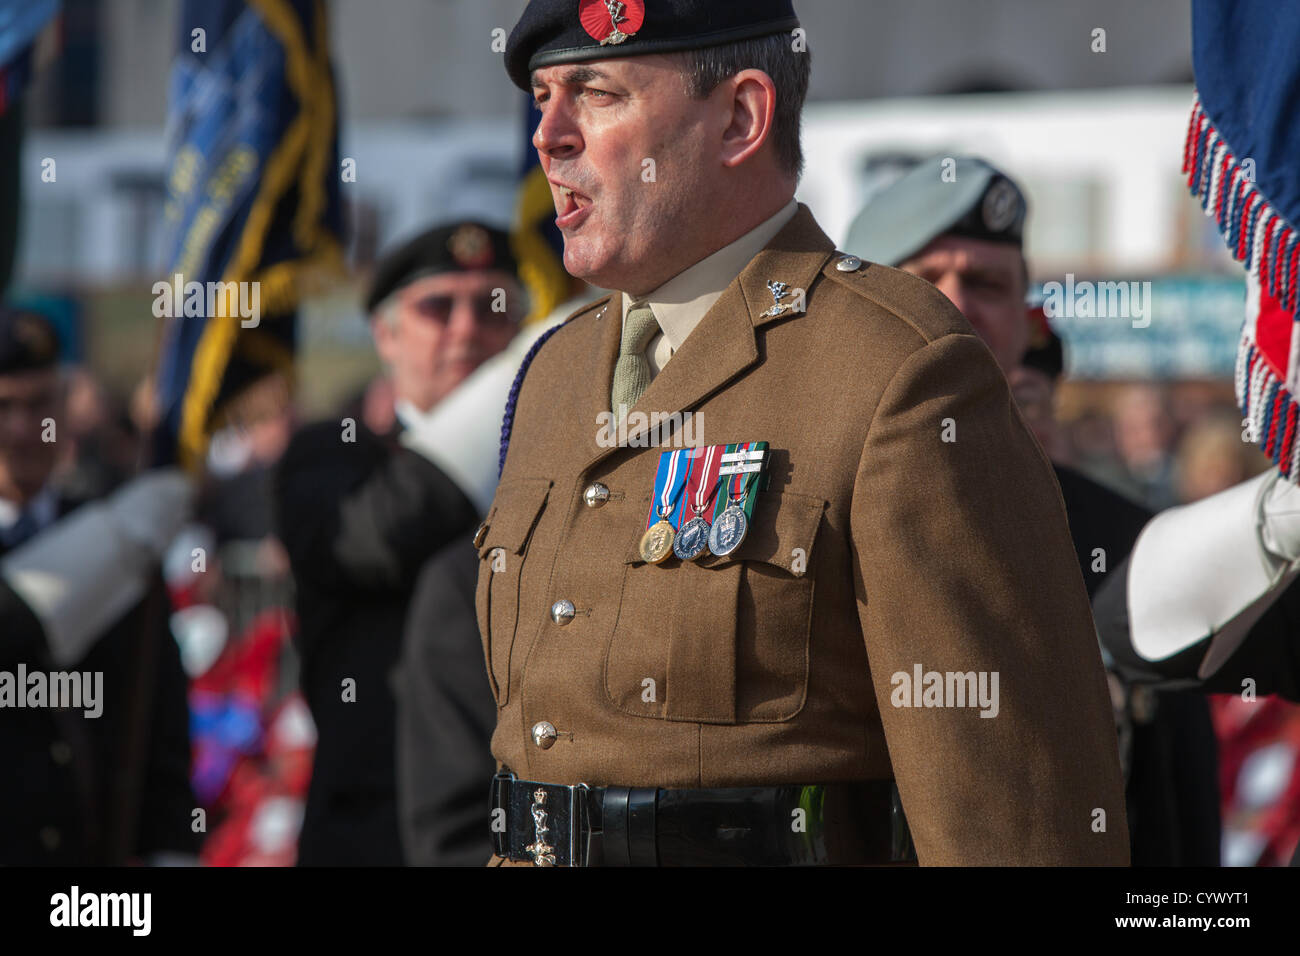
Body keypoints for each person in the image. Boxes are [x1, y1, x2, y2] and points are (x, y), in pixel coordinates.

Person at [478, 0, 1128, 867]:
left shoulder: (901, 368)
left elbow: (1013, 821)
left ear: (742, 118)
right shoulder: (553, 373)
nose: (549, 135)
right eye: (543, 98)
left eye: (596, 94)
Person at [846, 156, 1221, 865]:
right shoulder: (805, 510)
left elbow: (1179, 810)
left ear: (1025, 322)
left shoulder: (1135, 544)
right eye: (928, 281)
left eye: (988, 284)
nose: (960, 305)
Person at [274, 220, 523, 865]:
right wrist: (532, 366)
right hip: (373, 839)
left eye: (495, 308)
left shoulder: (546, 472)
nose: (468, 329)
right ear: (385, 334)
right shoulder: (331, 457)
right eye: (438, 307)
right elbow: (381, 534)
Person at [0, 306, 198, 865]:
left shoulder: (111, 534)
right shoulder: (115, 536)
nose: (22, 429)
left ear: (65, 408)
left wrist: (172, 851)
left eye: (39, 405)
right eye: (3, 407)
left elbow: (159, 721)